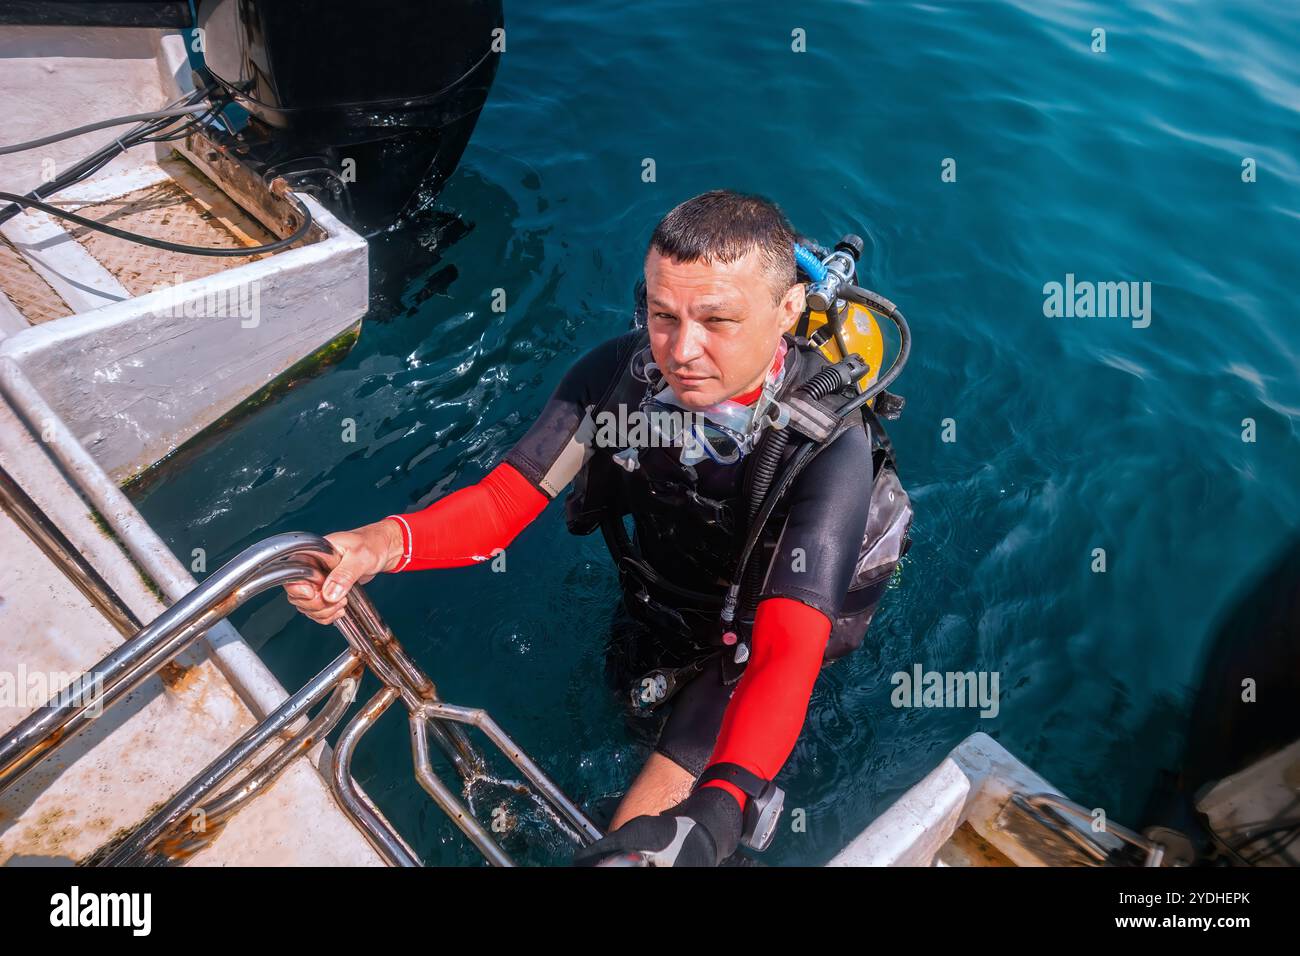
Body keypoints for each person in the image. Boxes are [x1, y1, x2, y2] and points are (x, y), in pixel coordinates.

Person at [285, 189, 911, 866]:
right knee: (631, 705)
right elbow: (499, 507)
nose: (682, 350)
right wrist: (373, 544)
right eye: (663, 315)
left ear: (787, 311)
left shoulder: (827, 449)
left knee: (642, 835)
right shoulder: (619, 378)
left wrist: (721, 805)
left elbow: (786, 651)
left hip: (771, 623)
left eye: (717, 321)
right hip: (669, 594)